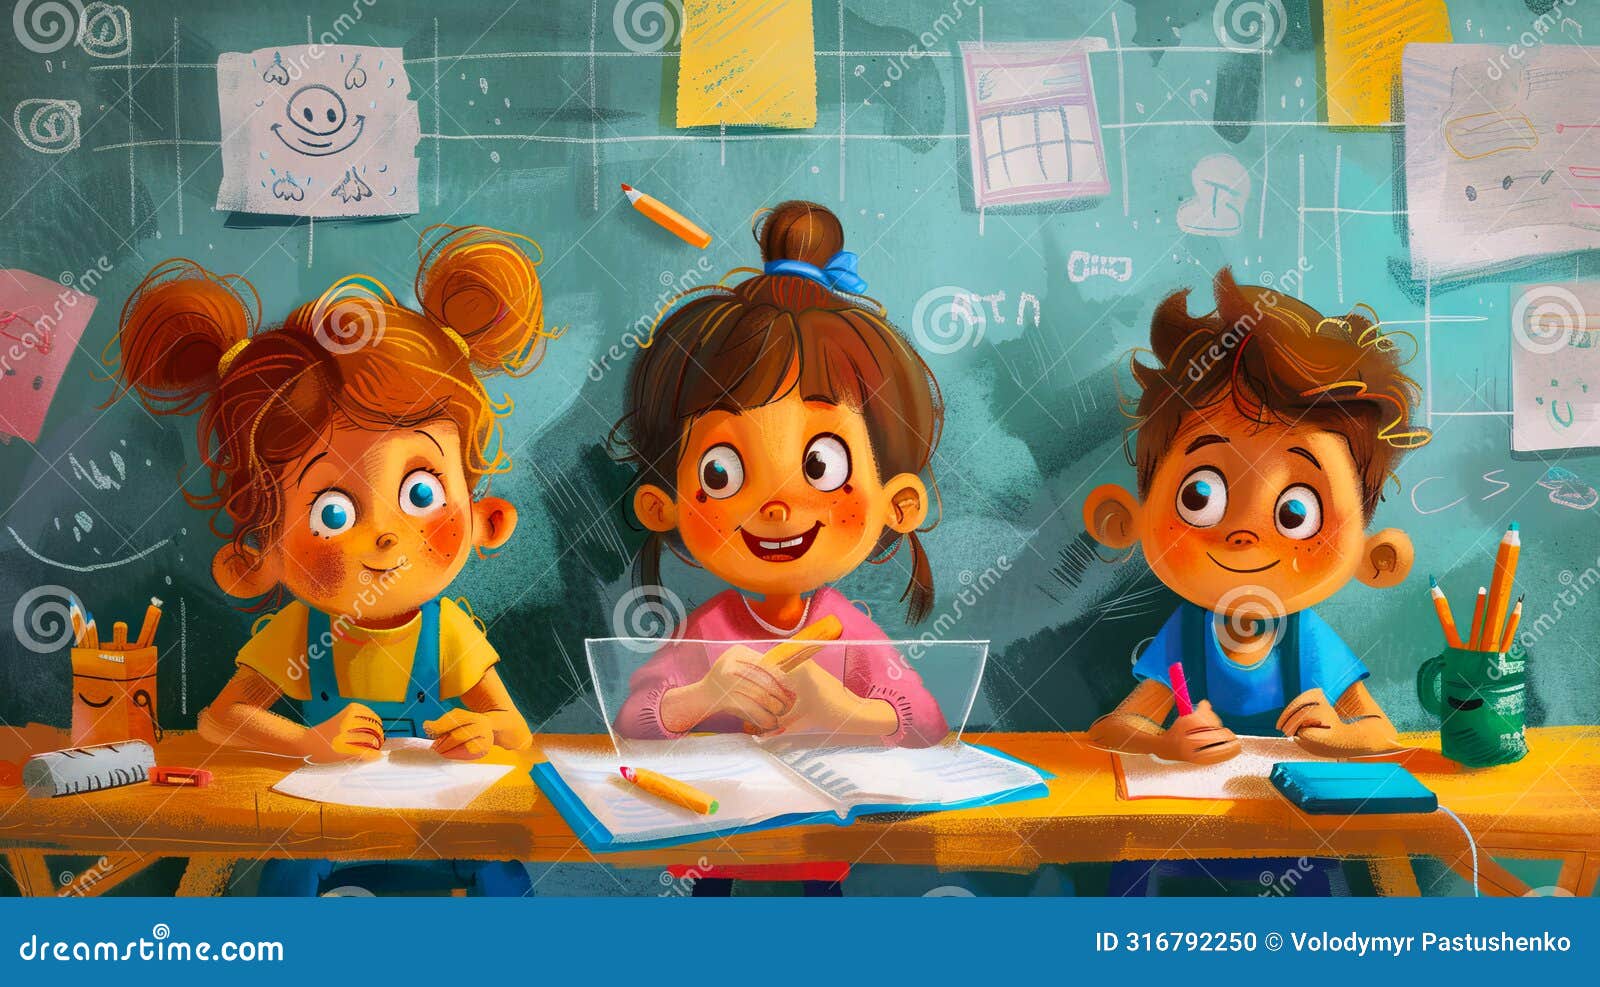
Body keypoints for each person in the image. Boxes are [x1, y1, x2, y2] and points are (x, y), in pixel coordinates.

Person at [110, 225, 556, 895]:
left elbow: (516, 729)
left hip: (443, 829)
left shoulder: (446, 631)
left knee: (505, 882)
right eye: (333, 513)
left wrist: (482, 730)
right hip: (324, 831)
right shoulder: (305, 634)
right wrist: (310, 743)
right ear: (260, 550)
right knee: (287, 883)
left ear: (485, 516)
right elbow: (220, 718)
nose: (383, 537)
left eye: (420, 492)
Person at [1085, 268, 1427, 764]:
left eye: (1296, 512)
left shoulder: (1303, 636)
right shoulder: (1190, 631)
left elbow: (1379, 733)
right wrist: (1166, 742)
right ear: (1125, 521)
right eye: (1200, 496)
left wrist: (1337, 733)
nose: (1243, 533)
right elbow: (1112, 727)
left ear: (1373, 556)